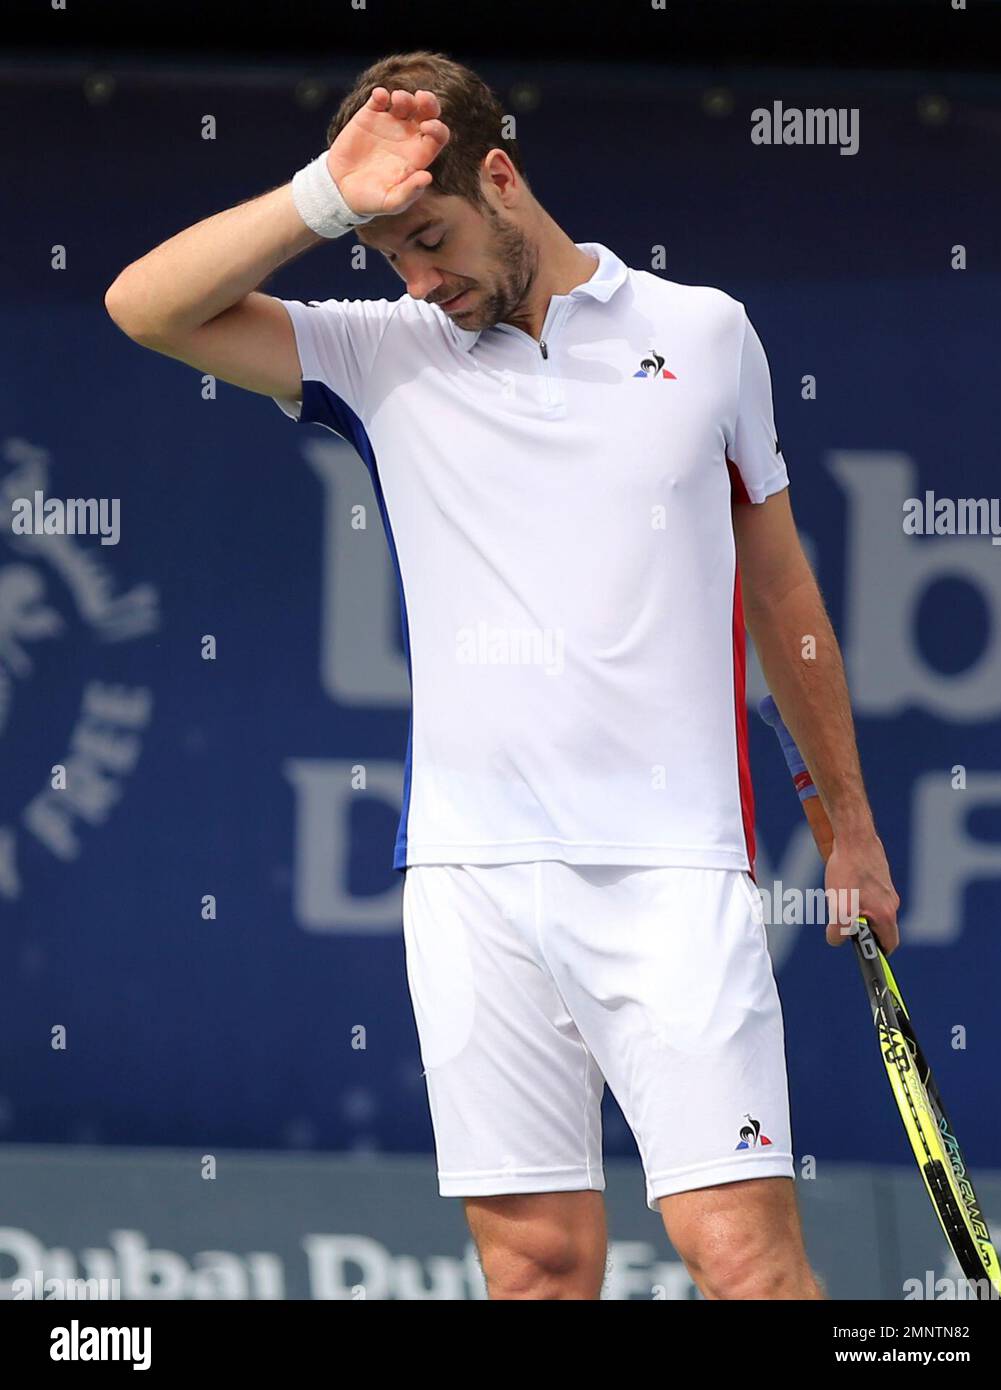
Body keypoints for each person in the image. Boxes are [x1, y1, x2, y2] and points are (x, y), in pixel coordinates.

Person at [105, 50, 900, 1301]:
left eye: (432, 237)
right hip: (472, 886)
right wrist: (326, 195)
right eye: (391, 256)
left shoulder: (705, 332)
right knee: (534, 1268)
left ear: (503, 176)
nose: (423, 279)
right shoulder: (382, 353)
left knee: (742, 1259)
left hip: (672, 874)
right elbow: (144, 308)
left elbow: (784, 593)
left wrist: (847, 825)